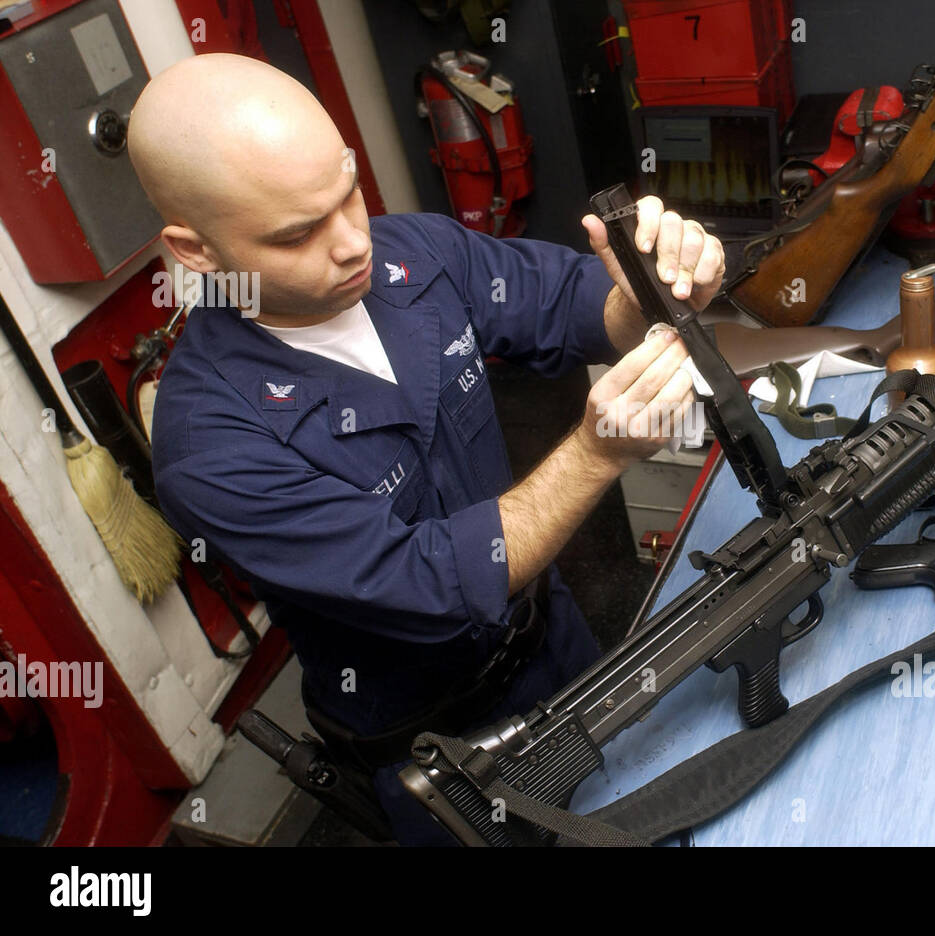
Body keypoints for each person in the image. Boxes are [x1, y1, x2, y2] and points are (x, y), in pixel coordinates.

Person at [130, 53, 723, 844]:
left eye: (347, 193)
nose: (351, 245)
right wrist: (596, 453)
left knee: (659, 801)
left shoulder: (415, 252)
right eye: (299, 234)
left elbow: (575, 309)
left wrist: (656, 286)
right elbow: (433, 585)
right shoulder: (211, 445)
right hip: (440, 750)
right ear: (196, 251)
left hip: (561, 648)